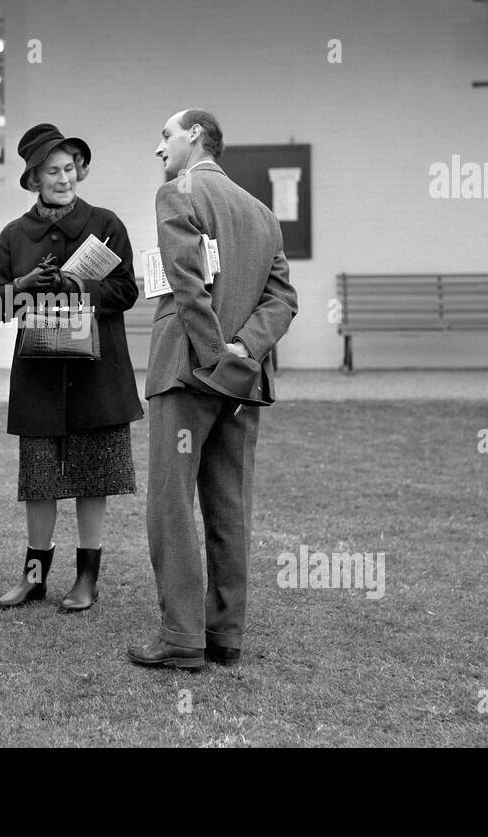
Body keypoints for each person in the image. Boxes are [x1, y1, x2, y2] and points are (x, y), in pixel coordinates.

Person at [127, 108, 298, 670]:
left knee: (170, 506)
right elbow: (282, 300)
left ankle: (181, 638)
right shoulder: (263, 214)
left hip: (187, 374)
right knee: (229, 507)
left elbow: (186, 282)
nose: (159, 148)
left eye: (166, 135)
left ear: (195, 135)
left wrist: (210, 356)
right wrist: (243, 351)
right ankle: (225, 636)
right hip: (242, 383)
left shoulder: (178, 194)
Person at [0, 122, 142, 613]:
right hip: (38, 376)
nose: (63, 178)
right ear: (33, 179)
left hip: (96, 374)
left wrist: (81, 289)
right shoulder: (13, 235)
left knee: (93, 477)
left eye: (69, 168)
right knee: (39, 481)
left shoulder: (107, 224)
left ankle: (86, 581)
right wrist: (27, 282)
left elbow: (126, 291)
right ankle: (34, 579)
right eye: (52, 171)